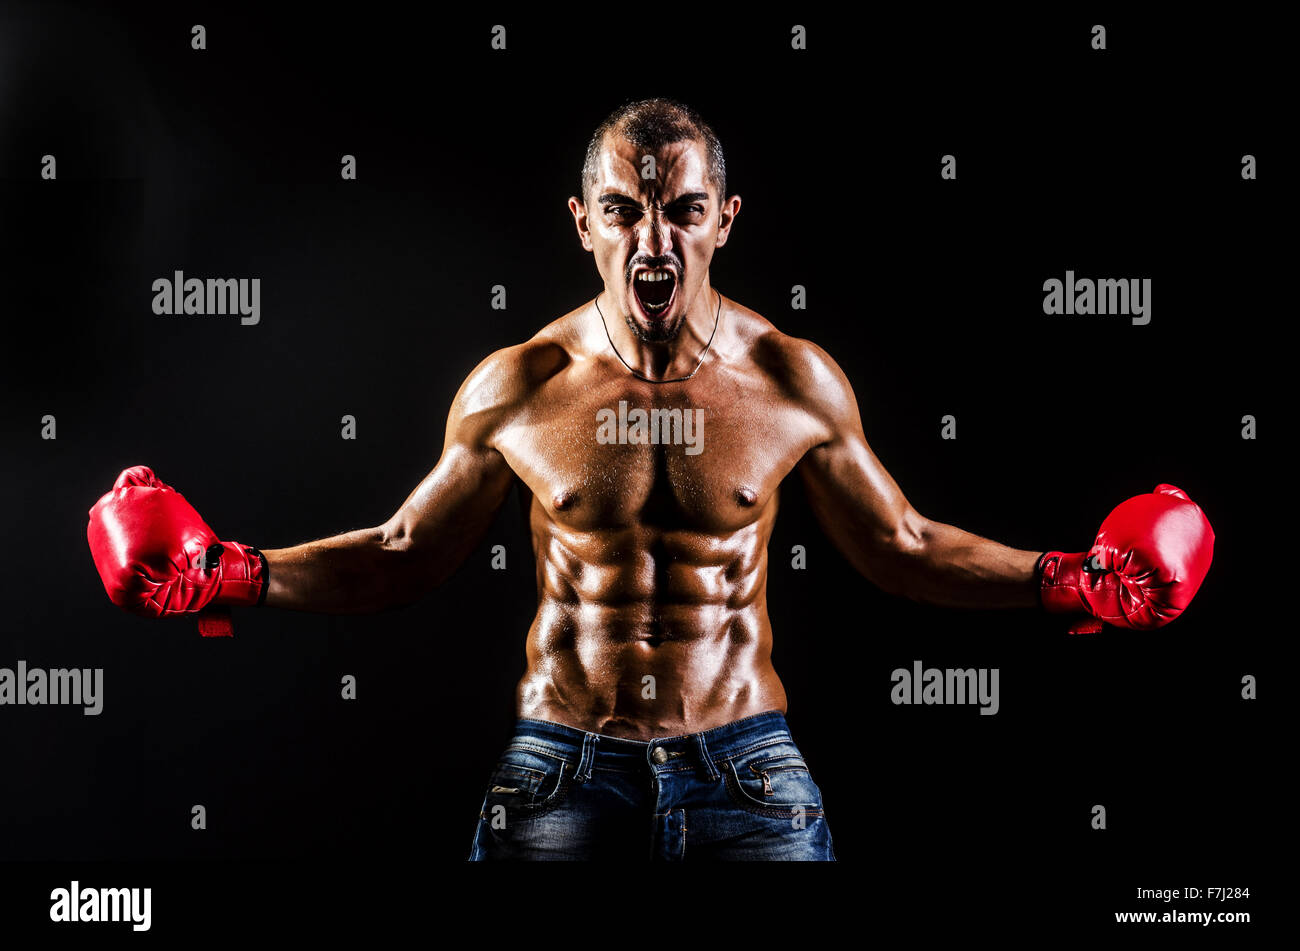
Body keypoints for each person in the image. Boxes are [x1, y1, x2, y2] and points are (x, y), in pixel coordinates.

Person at [87, 99, 1215, 861]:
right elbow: (400, 555)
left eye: (679, 210)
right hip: (556, 773)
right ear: (585, 224)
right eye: (624, 212)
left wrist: (1070, 581)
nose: (651, 243)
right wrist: (231, 577)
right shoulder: (518, 384)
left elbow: (905, 548)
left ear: (722, 220)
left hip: (746, 770)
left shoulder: (792, 380)